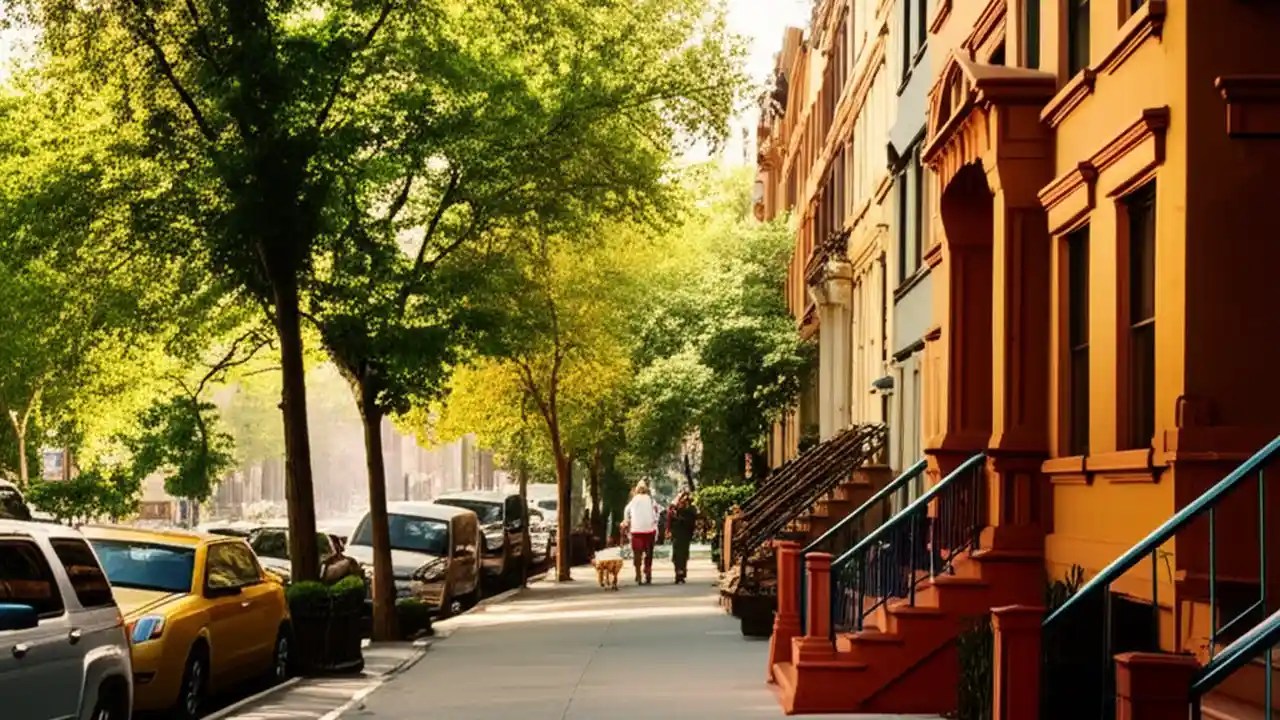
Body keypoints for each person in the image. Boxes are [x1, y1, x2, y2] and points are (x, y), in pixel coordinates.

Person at [621, 480, 659, 585]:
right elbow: (657, 512)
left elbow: (626, 510)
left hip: (636, 531)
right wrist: (655, 522)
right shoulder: (651, 500)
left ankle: (638, 574)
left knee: (637, 554)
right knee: (648, 554)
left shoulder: (634, 500)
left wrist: (626, 520)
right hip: (649, 530)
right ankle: (648, 573)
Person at [667, 488, 697, 584]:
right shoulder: (674, 509)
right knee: (677, 554)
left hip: (685, 533)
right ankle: (679, 572)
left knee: (683, 554)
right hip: (677, 533)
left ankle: (681, 572)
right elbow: (670, 516)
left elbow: (692, 521)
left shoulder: (690, 509)